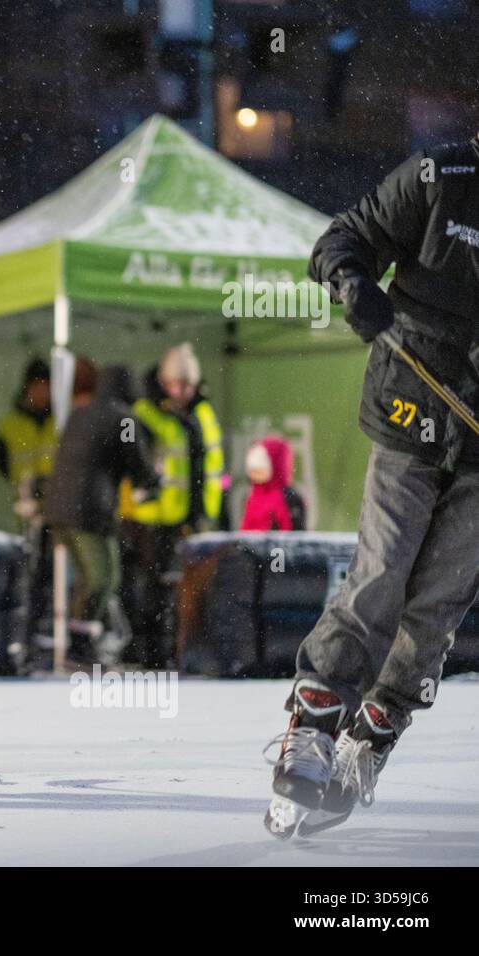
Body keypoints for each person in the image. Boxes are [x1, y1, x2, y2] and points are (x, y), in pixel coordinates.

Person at [266, 135, 479, 838]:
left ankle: (371, 738)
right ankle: (314, 724)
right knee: (380, 574)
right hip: (410, 404)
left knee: (438, 607)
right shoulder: (440, 174)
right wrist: (353, 283)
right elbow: (344, 238)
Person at [117, 344, 225, 666]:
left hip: (195, 516)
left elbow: (210, 466)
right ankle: (150, 652)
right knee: (151, 589)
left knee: (184, 591)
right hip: (152, 519)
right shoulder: (145, 413)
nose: (185, 391)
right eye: (179, 384)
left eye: (189, 384)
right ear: (164, 381)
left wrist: (209, 512)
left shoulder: (203, 413)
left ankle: (177, 652)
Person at [48, 365, 159, 667]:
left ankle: (85, 640)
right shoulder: (123, 418)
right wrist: (152, 482)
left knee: (91, 578)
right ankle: (80, 646)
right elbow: (138, 464)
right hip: (90, 512)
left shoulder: (80, 412)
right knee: (103, 578)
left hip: (59, 510)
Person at [0, 358, 58, 666]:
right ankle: (23, 636)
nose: (42, 393)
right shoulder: (10, 423)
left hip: (55, 511)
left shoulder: (59, 420)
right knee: (24, 574)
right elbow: (2, 463)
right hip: (21, 512)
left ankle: (40, 633)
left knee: (48, 576)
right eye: (38, 386)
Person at [239, 436, 306, 532]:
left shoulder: (289, 498)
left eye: (259, 470)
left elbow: (296, 535)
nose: (254, 474)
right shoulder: (253, 496)